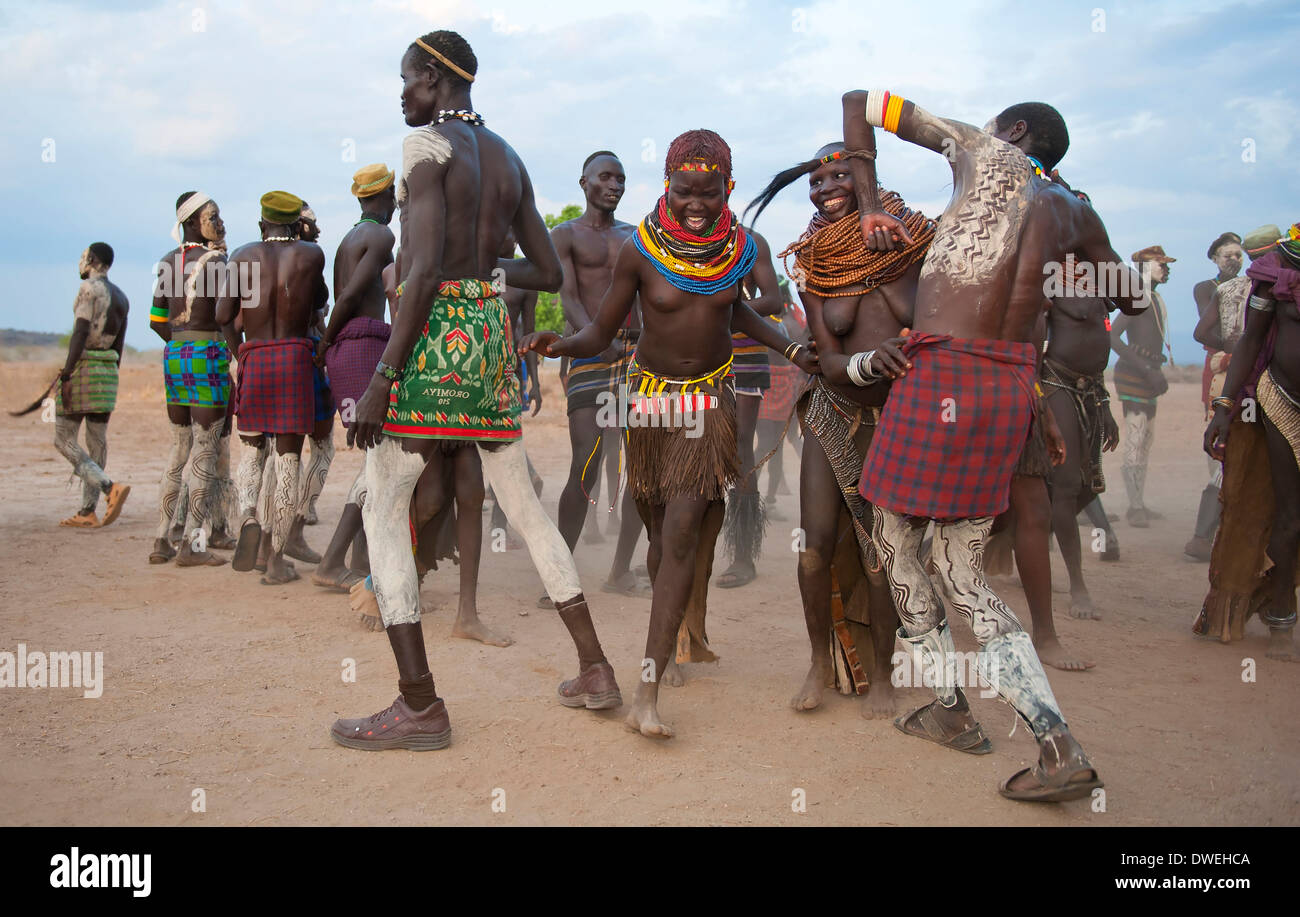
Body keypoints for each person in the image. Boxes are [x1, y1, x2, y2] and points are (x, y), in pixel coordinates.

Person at [842, 90, 1144, 799]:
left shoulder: (984, 149)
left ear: (1012, 130)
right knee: (963, 562)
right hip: (1009, 386)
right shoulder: (1075, 210)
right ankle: (1049, 736)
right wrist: (1071, 246)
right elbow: (1127, 294)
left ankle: (955, 708)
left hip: (942, 368)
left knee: (892, 535)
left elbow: (863, 100)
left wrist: (869, 206)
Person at [334, 30, 622, 751]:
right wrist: (489, 280)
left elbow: (423, 270)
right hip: (489, 336)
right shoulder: (509, 157)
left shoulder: (427, 149)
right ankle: (594, 666)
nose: (401, 92)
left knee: (384, 497)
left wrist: (382, 379)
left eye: (407, 78)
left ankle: (419, 704)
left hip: (435, 338)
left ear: (436, 78)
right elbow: (547, 272)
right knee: (521, 502)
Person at [522, 128, 819, 738]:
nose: (695, 203)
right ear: (668, 185)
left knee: (682, 533)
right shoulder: (641, 250)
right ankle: (676, 631)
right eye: (683, 190)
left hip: (709, 403)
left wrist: (795, 347)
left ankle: (648, 689)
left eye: (708, 192)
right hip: (651, 407)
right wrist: (563, 345)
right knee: (659, 537)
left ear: (726, 189)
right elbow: (602, 330)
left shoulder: (735, 252)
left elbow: (734, 310)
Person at [745, 140, 933, 714]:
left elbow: (939, 328)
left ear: (866, 181)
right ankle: (818, 662)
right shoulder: (816, 261)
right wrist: (864, 363)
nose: (823, 189)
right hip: (833, 410)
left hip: (898, 418)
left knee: (884, 554)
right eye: (816, 181)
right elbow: (825, 359)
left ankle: (881, 674)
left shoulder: (916, 244)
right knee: (813, 546)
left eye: (837, 177)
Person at [549, 151, 649, 598]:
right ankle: (561, 575)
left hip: (637, 354)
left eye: (621, 178)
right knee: (586, 463)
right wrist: (597, 340)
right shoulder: (564, 235)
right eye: (605, 177)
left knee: (641, 469)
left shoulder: (637, 236)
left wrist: (645, 347)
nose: (614, 185)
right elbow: (568, 295)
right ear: (583, 182)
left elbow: (647, 295)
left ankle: (620, 570)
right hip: (591, 354)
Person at [1201, 223, 1300, 660]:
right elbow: (1251, 340)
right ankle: (1282, 614)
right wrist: (1224, 407)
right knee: (1289, 513)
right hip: (1283, 402)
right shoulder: (1280, 266)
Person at [219, 191, 328, 585]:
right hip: (295, 360)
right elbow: (319, 305)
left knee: (251, 452)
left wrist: (241, 355)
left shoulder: (242, 257)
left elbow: (222, 315)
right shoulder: (311, 255)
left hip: (256, 356)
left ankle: (247, 513)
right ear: (296, 224)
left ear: (263, 224)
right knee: (287, 463)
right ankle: (276, 559)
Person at [312, 164, 398, 593]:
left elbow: (340, 294)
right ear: (383, 197)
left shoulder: (348, 238)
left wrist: (329, 346)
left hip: (348, 349)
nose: (398, 204)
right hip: (362, 345)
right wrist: (324, 343)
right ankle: (332, 562)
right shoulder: (382, 237)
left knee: (374, 458)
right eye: (394, 196)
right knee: (378, 460)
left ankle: (363, 562)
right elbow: (349, 296)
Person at [1039, 193, 1122, 625]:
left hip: (1092, 389)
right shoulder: (1042, 276)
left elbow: (1102, 343)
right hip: (1055, 382)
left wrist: (1104, 401)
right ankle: (1077, 585)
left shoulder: (1097, 280)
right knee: (1068, 482)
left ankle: (1032, 532)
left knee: (1087, 485)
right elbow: (1031, 341)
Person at [149, 191, 231, 566]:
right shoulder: (216, 261)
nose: (219, 222)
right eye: (212, 217)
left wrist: (181, 345)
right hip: (207, 357)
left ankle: (161, 540)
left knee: (178, 448)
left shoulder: (167, 262)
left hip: (174, 357)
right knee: (205, 449)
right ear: (193, 222)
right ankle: (192, 547)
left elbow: (156, 320)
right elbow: (228, 317)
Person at [717, 230, 785, 589]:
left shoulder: (750, 241)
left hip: (743, 354)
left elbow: (773, 300)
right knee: (691, 443)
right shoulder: (671, 237)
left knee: (739, 446)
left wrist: (721, 312)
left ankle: (743, 555)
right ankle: (683, 545)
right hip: (695, 352)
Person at [53, 243, 130, 528]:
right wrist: (110, 373)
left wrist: (67, 371)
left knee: (63, 439)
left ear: (93, 259)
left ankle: (110, 488)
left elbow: (81, 330)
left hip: (84, 366)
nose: (81, 260)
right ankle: (87, 512)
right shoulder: (122, 297)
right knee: (97, 442)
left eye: (83, 255)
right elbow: (119, 343)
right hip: (108, 370)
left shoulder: (89, 289)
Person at [1186, 231, 1250, 560]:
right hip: (1220, 369)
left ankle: (1216, 528)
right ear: (1214, 258)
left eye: (1238, 255)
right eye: (1227, 255)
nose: (1234, 260)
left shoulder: (1251, 288)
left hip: (1242, 366)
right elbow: (1205, 328)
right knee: (1221, 443)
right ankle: (1206, 532)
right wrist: (1235, 346)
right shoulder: (1208, 289)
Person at [1110, 245, 1175, 528]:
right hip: (1136, 375)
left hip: (1149, 374)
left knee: (1145, 440)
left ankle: (1139, 502)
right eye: (1162, 264)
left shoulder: (1154, 298)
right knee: (1136, 438)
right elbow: (1112, 338)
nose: (1167, 269)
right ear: (1146, 268)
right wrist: (1146, 369)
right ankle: (1135, 506)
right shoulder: (1136, 297)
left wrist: (1154, 370)